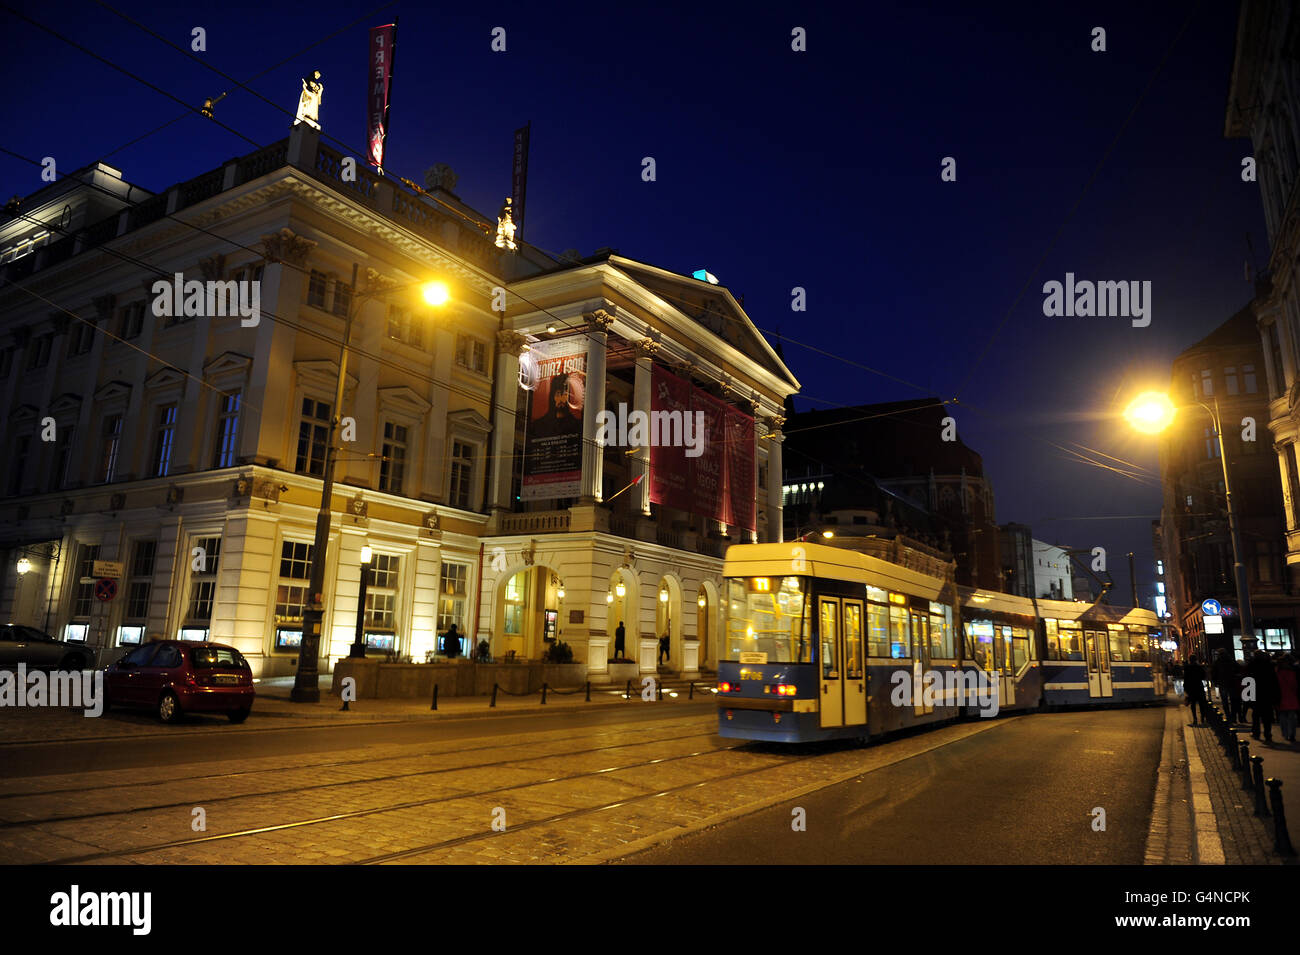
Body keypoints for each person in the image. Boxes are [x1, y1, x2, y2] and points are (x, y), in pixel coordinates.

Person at [1247, 648, 1280, 743]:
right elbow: (1274, 681)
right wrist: (1276, 695)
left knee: (1256, 715)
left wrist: (1248, 695)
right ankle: (1267, 734)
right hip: (1267, 694)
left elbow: (1248, 680)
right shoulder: (1269, 665)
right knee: (1267, 716)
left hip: (1256, 693)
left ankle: (1256, 732)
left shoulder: (1252, 665)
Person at [1276, 653, 1298, 743]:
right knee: (1292, 716)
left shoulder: (1278, 673)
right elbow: (1294, 685)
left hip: (1281, 696)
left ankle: (1286, 733)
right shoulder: (1293, 672)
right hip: (1291, 695)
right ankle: (1291, 734)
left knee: (1283, 716)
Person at [1184, 654, 1209, 725]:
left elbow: (1185, 678)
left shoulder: (1187, 668)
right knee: (1201, 704)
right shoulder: (1199, 667)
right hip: (1199, 686)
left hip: (1191, 688)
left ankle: (1195, 719)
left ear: (1189, 660)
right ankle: (1202, 718)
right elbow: (1203, 676)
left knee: (1193, 704)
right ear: (1196, 660)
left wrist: (1185, 688)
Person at [1211, 648, 1236, 718]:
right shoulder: (1231, 660)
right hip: (1231, 682)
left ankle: (1228, 716)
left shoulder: (1217, 662)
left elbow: (1214, 673)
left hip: (1222, 683)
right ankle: (1233, 716)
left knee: (1225, 701)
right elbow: (1237, 668)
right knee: (1233, 700)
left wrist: (1215, 681)